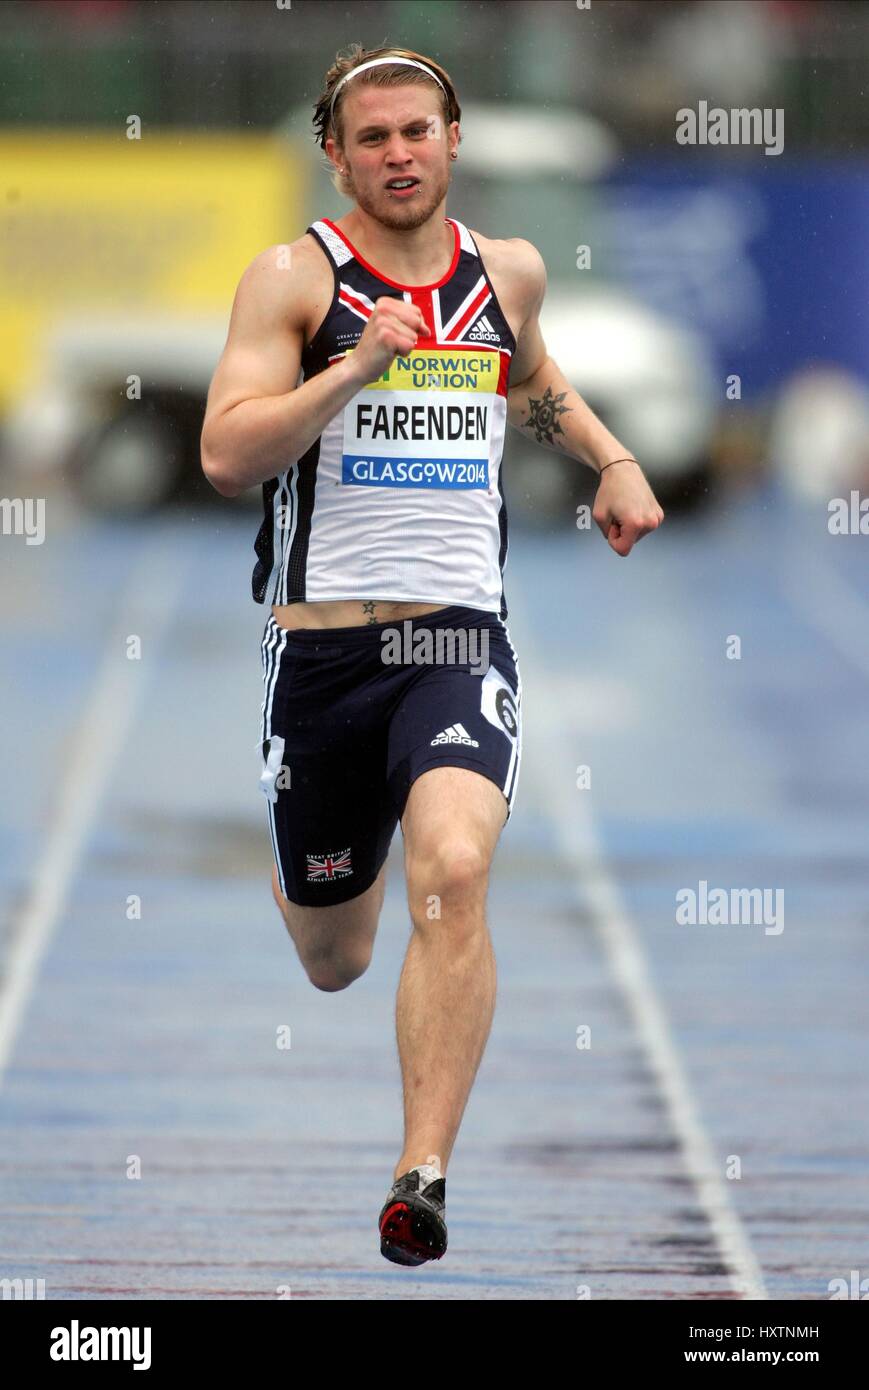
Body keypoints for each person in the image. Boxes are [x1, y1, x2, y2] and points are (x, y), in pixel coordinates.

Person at [200, 42, 663, 1267]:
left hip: (456, 638)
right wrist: (353, 368)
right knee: (334, 956)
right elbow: (226, 455)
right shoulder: (293, 280)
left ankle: (421, 1174)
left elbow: (535, 376)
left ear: (452, 140)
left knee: (453, 869)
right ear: (338, 154)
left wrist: (608, 461)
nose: (398, 154)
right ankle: (308, 878)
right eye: (373, 138)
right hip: (323, 659)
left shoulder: (503, 272)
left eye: (417, 132)